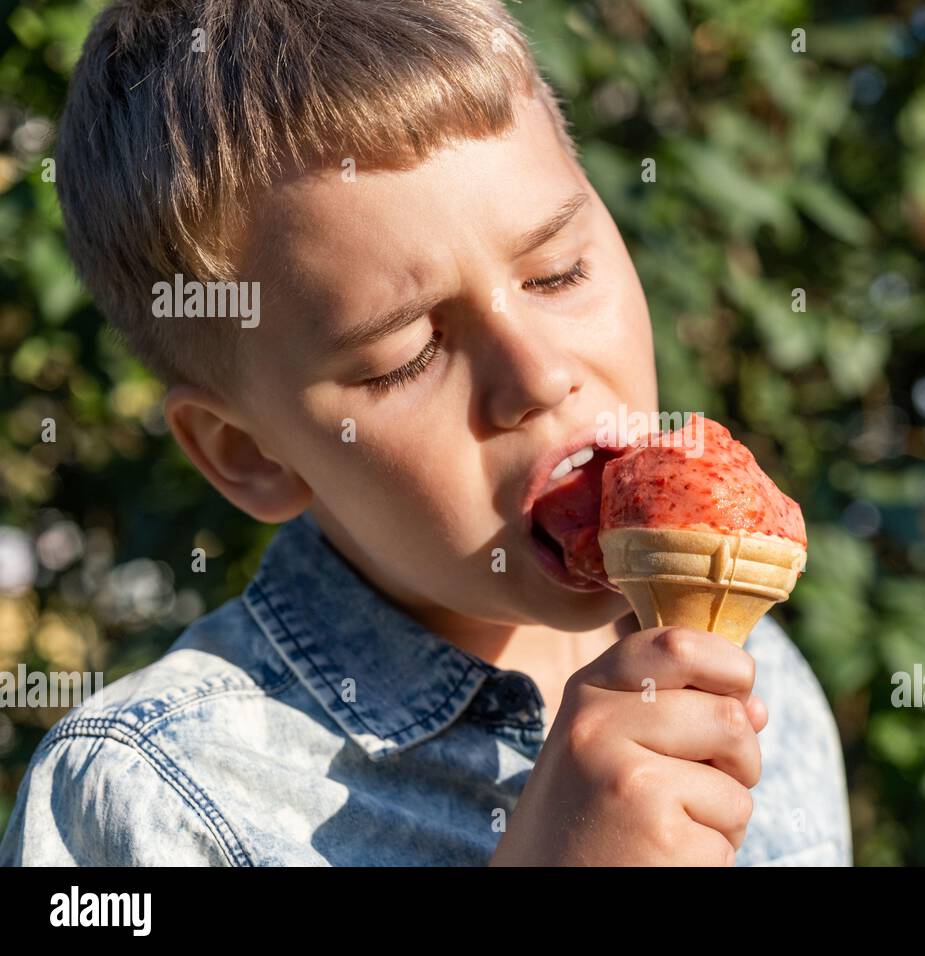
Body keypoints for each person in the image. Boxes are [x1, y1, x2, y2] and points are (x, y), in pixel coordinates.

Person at [0, 0, 851, 866]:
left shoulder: (758, 675)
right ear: (249, 453)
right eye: (406, 356)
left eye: (559, 273)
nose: (538, 375)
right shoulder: (144, 798)